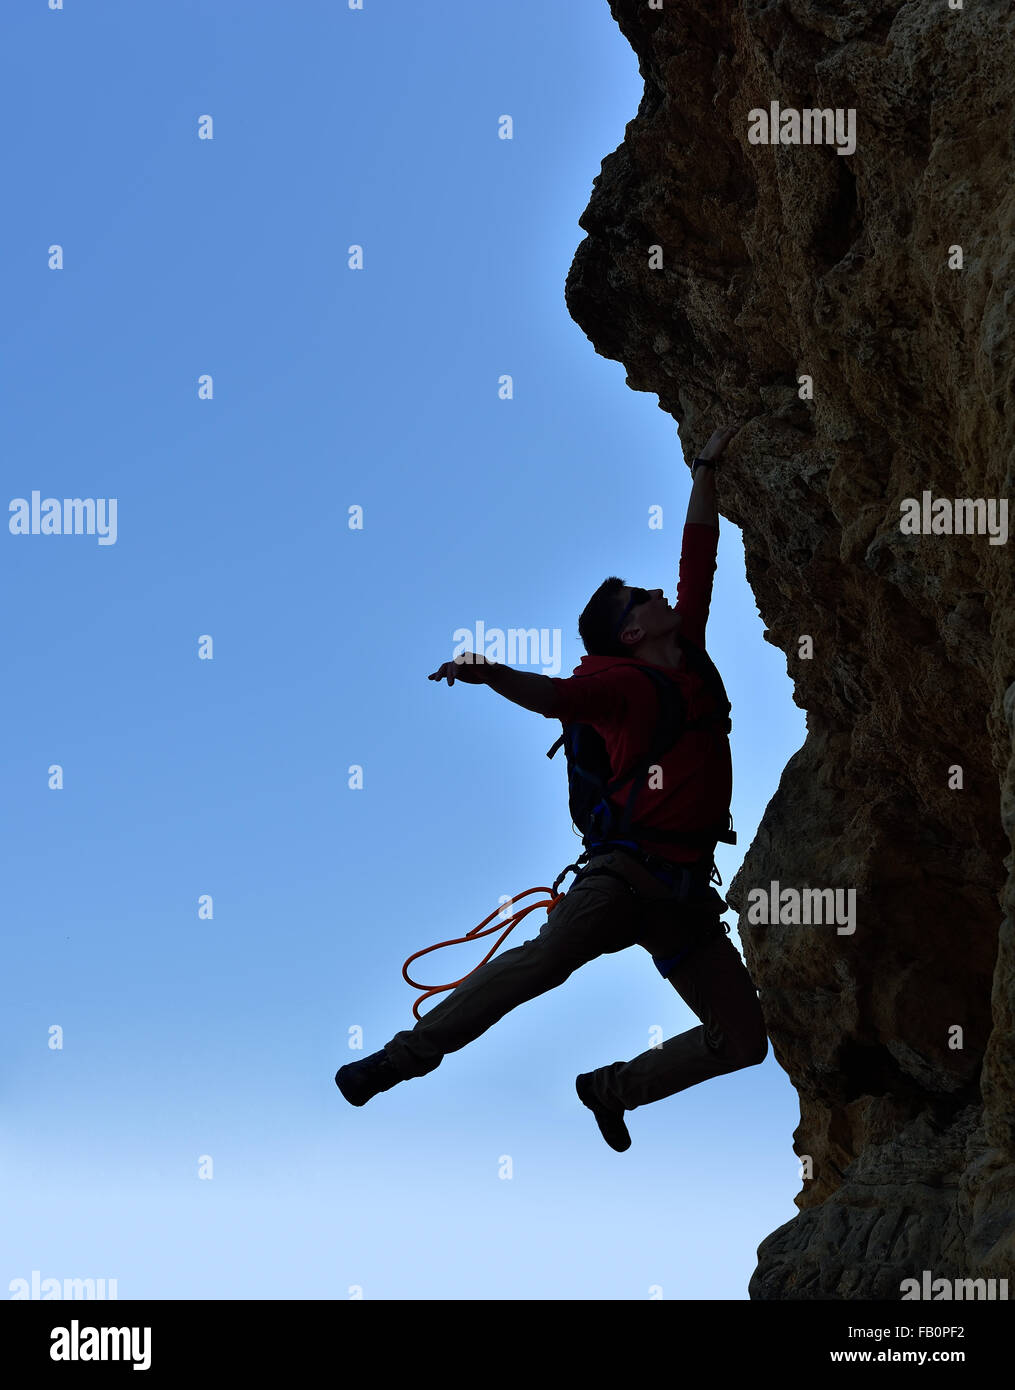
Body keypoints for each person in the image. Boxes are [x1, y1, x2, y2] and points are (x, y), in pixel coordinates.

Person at [335, 424, 768, 1150]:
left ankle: (611, 1090)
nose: (659, 593)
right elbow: (553, 700)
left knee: (744, 1041)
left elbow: (699, 561)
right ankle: (399, 1059)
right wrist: (487, 672)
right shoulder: (623, 688)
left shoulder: (683, 655)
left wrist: (704, 469)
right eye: (640, 599)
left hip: (683, 897)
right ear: (628, 635)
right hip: (623, 881)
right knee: (541, 964)